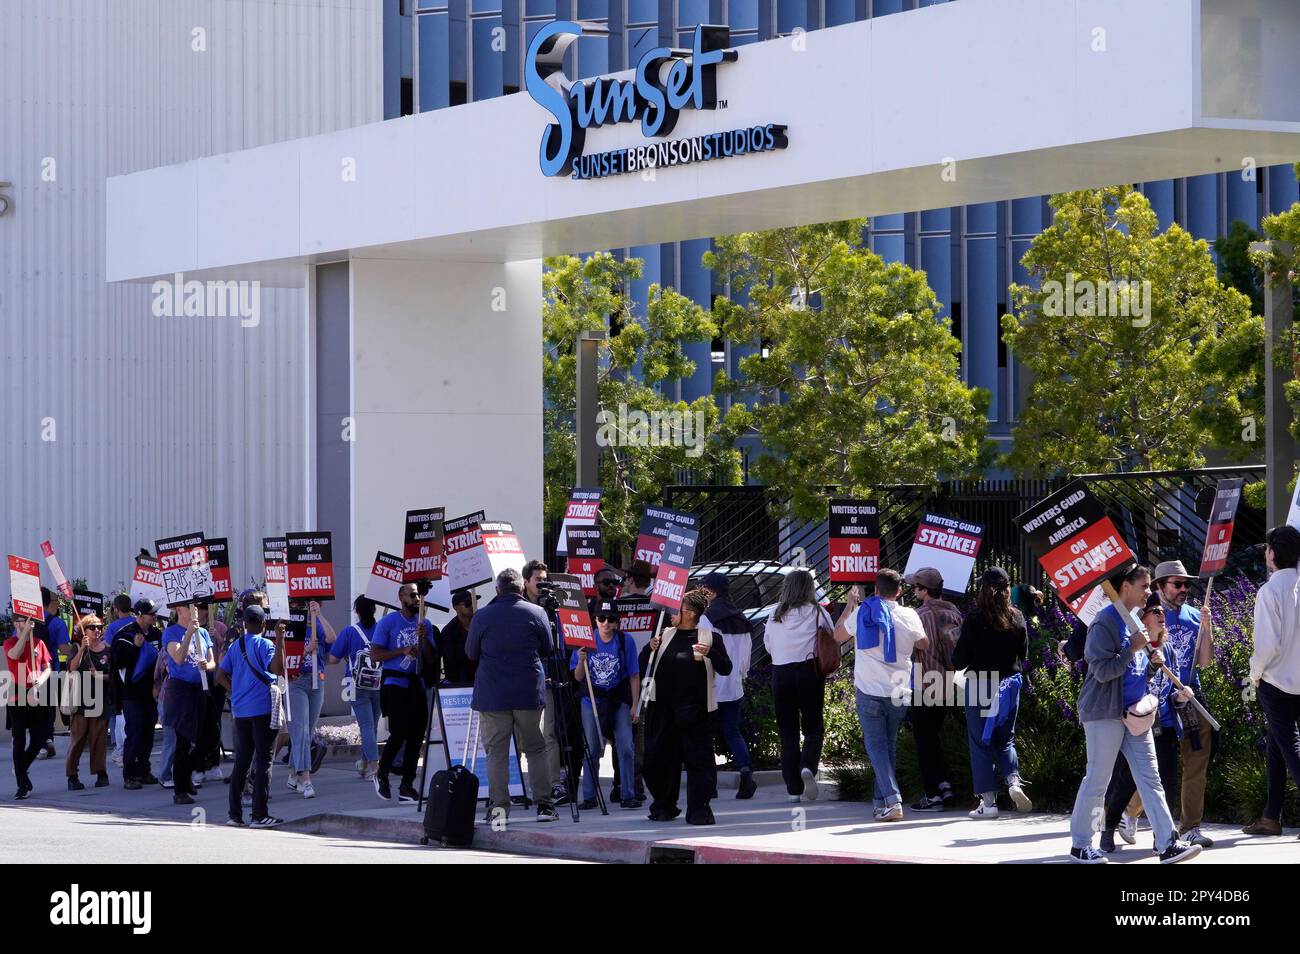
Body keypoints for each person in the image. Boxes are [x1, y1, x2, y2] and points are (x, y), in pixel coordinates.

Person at [1066, 564, 1201, 864]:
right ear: (1125, 586)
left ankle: (1167, 843)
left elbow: (1137, 673)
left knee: (1151, 778)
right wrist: (1132, 648)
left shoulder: (1134, 621)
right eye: (1144, 586)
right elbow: (1100, 671)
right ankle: (1080, 844)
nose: (1149, 592)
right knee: (1098, 779)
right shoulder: (1105, 622)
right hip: (1104, 712)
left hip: (1135, 714)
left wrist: (1151, 661)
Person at [835, 568, 928, 821]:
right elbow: (924, 644)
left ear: (875, 590)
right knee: (888, 746)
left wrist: (851, 605)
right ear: (899, 592)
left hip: (870, 690)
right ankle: (880, 802)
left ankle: (892, 800)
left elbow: (837, 635)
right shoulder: (909, 615)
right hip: (899, 690)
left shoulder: (862, 613)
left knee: (876, 747)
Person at [466, 567, 558, 822]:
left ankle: (499, 808)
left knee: (496, 752)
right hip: (528, 691)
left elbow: (471, 653)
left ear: (497, 590)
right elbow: (547, 649)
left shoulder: (482, 616)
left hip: (493, 694)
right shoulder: (536, 612)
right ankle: (544, 805)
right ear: (520, 589)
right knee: (536, 748)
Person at [1097, 593, 1185, 852]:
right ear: (1142, 618)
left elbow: (1172, 691)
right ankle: (1109, 827)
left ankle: (1165, 839)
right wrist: (1150, 668)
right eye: (1155, 611)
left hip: (1164, 724)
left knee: (1164, 782)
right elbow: (1131, 684)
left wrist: (1182, 696)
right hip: (1136, 723)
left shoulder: (1168, 649)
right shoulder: (1136, 648)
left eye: (1162, 612)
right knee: (1125, 783)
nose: (1162, 616)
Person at [640, 589, 733, 825]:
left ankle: (699, 810)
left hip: (697, 712)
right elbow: (643, 665)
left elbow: (726, 668)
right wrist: (649, 648)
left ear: (689, 614)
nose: (671, 613)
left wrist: (710, 652)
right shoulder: (664, 635)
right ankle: (664, 805)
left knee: (698, 761)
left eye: (676, 610)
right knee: (657, 759)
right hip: (663, 711)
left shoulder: (709, 638)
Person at [1143, 560, 1218, 848]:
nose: (1184, 589)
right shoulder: (1150, 617)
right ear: (1159, 587)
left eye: (1186, 584)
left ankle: (1190, 827)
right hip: (1156, 702)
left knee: (1197, 756)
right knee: (1155, 766)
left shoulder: (1194, 615)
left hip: (1188, 697)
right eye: (1177, 584)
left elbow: (1205, 661)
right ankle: (1130, 809)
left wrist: (1207, 626)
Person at [952, 567, 1032, 818]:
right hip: (1010, 684)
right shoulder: (1018, 617)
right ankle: (1014, 782)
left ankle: (988, 804)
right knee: (1005, 738)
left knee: (980, 742)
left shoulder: (975, 619)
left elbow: (959, 660)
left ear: (985, 589)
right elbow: (1023, 655)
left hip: (980, 684)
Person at [762, 568, 834, 803]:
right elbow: (830, 638)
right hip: (809, 671)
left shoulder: (775, 614)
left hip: (781, 673)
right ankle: (808, 766)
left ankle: (793, 789)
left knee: (787, 733)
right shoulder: (817, 612)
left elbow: (768, 647)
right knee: (813, 727)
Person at [1250, 524, 1300, 841]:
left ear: (1271, 554)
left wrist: (1254, 674)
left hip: (1276, 682)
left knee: (1289, 747)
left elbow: (1267, 645)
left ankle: (1271, 817)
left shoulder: (1270, 591)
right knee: (1277, 748)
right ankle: (1271, 816)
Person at [216, 604, 286, 828]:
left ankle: (234, 815)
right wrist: (280, 640)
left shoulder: (236, 646)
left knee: (242, 762)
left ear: (244, 624)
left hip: (241, 711)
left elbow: (219, 675)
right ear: (264, 624)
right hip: (263, 709)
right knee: (264, 761)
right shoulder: (266, 644)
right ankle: (259, 815)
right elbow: (277, 669)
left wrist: (234, 691)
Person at [370, 583, 439, 802]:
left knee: (417, 734)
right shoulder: (388, 622)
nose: (417, 598)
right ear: (401, 596)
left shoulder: (424, 623)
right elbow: (375, 655)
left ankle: (407, 784)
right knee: (399, 731)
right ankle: (381, 773)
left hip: (416, 683)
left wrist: (424, 637)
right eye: (412, 594)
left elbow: (430, 658)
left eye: (419, 595)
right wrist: (402, 650)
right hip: (394, 682)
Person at [571, 601, 642, 809]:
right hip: (591, 700)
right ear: (595, 619)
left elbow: (634, 675)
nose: (606, 623)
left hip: (617, 699)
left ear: (616, 621)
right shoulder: (585, 640)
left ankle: (628, 794)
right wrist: (581, 660)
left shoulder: (625, 641)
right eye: (601, 618)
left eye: (611, 619)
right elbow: (577, 677)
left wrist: (634, 705)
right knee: (591, 748)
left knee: (626, 746)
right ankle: (590, 796)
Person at [905, 567, 962, 811]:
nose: (913, 591)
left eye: (915, 587)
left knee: (924, 739)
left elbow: (910, 650)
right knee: (935, 736)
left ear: (924, 590)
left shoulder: (918, 615)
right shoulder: (955, 612)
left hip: (927, 682)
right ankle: (945, 785)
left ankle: (933, 794)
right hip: (953, 683)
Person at [699, 571, 756, 799]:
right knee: (732, 731)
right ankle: (746, 774)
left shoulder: (706, 618)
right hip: (734, 687)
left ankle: (709, 784)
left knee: (705, 736)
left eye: (703, 588)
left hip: (711, 686)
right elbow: (745, 662)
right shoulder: (741, 618)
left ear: (711, 591)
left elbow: (703, 653)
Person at [523, 558, 572, 806]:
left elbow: (561, 643)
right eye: (538, 580)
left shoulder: (554, 608)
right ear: (526, 582)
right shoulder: (521, 607)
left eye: (545, 580)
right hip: (524, 681)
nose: (542, 584)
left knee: (549, 734)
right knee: (527, 737)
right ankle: (524, 785)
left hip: (550, 678)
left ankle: (553, 784)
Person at [162, 603, 216, 806]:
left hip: (200, 687)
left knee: (210, 736)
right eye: (190, 608)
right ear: (179, 611)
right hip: (181, 690)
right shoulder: (171, 632)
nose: (196, 611)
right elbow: (178, 658)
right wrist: (188, 634)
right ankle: (180, 789)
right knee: (183, 741)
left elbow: (212, 662)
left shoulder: (202, 632)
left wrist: (207, 665)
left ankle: (187, 773)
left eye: (197, 608)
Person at [328, 595, 383, 779]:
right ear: (374, 610)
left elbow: (333, 659)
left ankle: (374, 768)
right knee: (372, 726)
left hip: (354, 684)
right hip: (379, 684)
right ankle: (364, 763)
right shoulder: (382, 629)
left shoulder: (349, 632)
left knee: (366, 726)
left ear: (356, 611)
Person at [285, 600, 335, 799]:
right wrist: (305, 650)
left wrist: (319, 615)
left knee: (308, 731)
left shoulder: (318, 625)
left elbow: (333, 638)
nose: (307, 609)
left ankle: (292, 774)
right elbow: (283, 657)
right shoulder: (291, 626)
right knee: (302, 732)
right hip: (296, 682)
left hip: (317, 681)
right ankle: (305, 780)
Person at [112, 599, 163, 789]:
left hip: (152, 692)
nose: (155, 617)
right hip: (131, 694)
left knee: (148, 733)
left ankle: (144, 770)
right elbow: (118, 663)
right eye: (151, 614)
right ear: (140, 615)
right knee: (134, 733)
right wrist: (135, 647)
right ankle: (130, 774)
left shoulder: (157, 634)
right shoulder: (125, 635)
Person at [5, 617, 54, 798]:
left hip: (35, 694)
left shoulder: (39, 643)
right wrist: (25, 633)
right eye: (22, 621)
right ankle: (22, 784)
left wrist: (40, 680)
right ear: (16, 624)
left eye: (29, 621)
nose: (27, 623)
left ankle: (21, 769)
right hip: (17, 696)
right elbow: (14, 655)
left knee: (38, 740)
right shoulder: (10, 642)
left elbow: (47, 667)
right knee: (19, 741)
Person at [65, 615, 114, 790]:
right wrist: (82, 649)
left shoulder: (108, 650)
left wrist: (98, 675)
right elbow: (71, 667)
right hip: (80, 701)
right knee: (78, 740)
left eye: (99, 627)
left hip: (101, 701)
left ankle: (101, 773)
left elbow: (114, 676)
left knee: (99, 740)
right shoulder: (77, 647)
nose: (96, 630)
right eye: (92, 627)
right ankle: (72, 775)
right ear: (84, 630)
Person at [193, 603, 229, 782]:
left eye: (200, 609)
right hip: (197, 683)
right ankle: (198, 766)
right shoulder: (190, 628)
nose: (198, 612)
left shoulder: (220, 626)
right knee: (200, 724)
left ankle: (214, 763)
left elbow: (227, 651)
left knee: (214, 723)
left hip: (216, 682)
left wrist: (219, 638)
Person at [40, 587, 70, 758]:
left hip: (27, 672)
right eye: (55, 600)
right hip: (49, 670)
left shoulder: (25, 621)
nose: (57, 603)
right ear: (49, 602)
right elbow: (64, 649)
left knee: (32, 707)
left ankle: (40, 742)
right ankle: (47, 741)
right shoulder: (57, 623)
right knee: (48, 707)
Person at [438, 589, 478, 685]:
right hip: (460, 685)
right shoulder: (449, 631)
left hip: (482, 680)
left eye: (474, 601)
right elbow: (451, 663)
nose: (473, 605)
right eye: (468, 603)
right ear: (456, 607)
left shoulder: (481, 625)